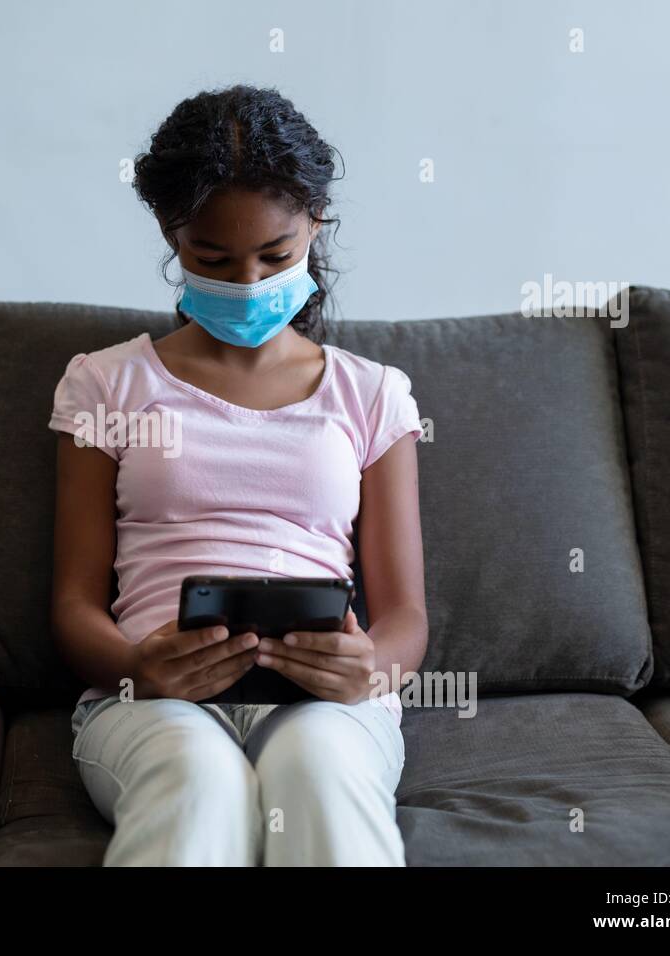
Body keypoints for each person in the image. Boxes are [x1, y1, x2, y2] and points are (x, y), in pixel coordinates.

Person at [48, 84, 428, 866]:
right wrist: (135, 666)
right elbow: (73, 604)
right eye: (213, 260)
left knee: (320, 771)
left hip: (324, 702)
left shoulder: (373, 394)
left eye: (276, 256)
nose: (250, 284)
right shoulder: (104, 385)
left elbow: (406, 618)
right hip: (152, 701)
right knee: (196, 777)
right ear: (170, 234)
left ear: (316, 222)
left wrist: (370, 669)